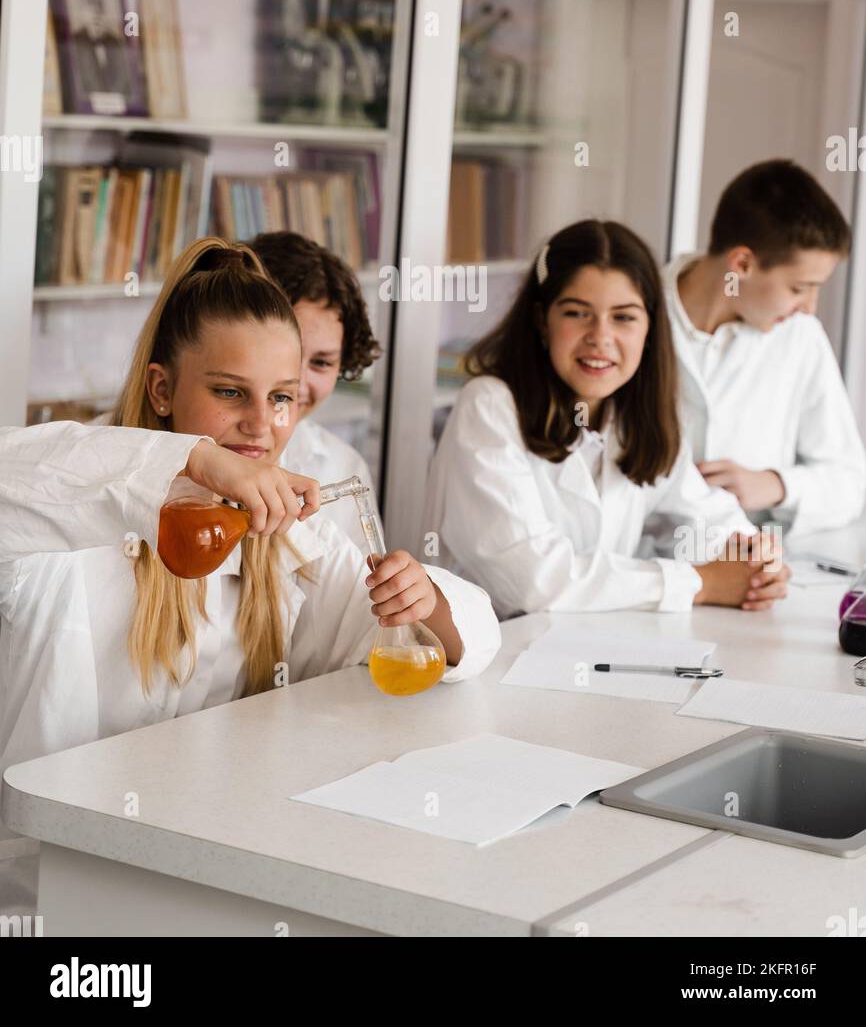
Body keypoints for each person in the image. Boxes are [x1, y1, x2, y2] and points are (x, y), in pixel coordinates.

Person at [0, 238, 501, 793]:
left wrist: (424, 596)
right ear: (162, 389)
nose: (262, 424)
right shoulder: (72, 505)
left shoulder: (288, 536)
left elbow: (465, 639)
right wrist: (196, 461)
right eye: (230, 392)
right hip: (55, 861)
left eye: (281, 397)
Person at [424, 219, 789, 621]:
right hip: (487, 658)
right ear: (542, 322)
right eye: (578, 313)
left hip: (588, 648)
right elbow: (533, 580)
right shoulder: (491, 406)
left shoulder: (636, 416)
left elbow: (703, 516)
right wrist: (701, 582)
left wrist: (753, 561)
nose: (600, 337)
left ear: (650, 328)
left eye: (624, 317)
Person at [664, 160, 866, 536]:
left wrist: (776, 485)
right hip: (645, 573)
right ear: (741, 264)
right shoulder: (632, 319)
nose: (809, 307)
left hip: (755, 573)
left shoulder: (800, 336)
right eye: (799, 288)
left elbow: (850, 483)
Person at [249, 231, 381, 556]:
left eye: (321, 362)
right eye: (285, 354)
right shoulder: (160, 453)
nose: (296, 384)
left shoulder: (343, 466)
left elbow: (358, 595)